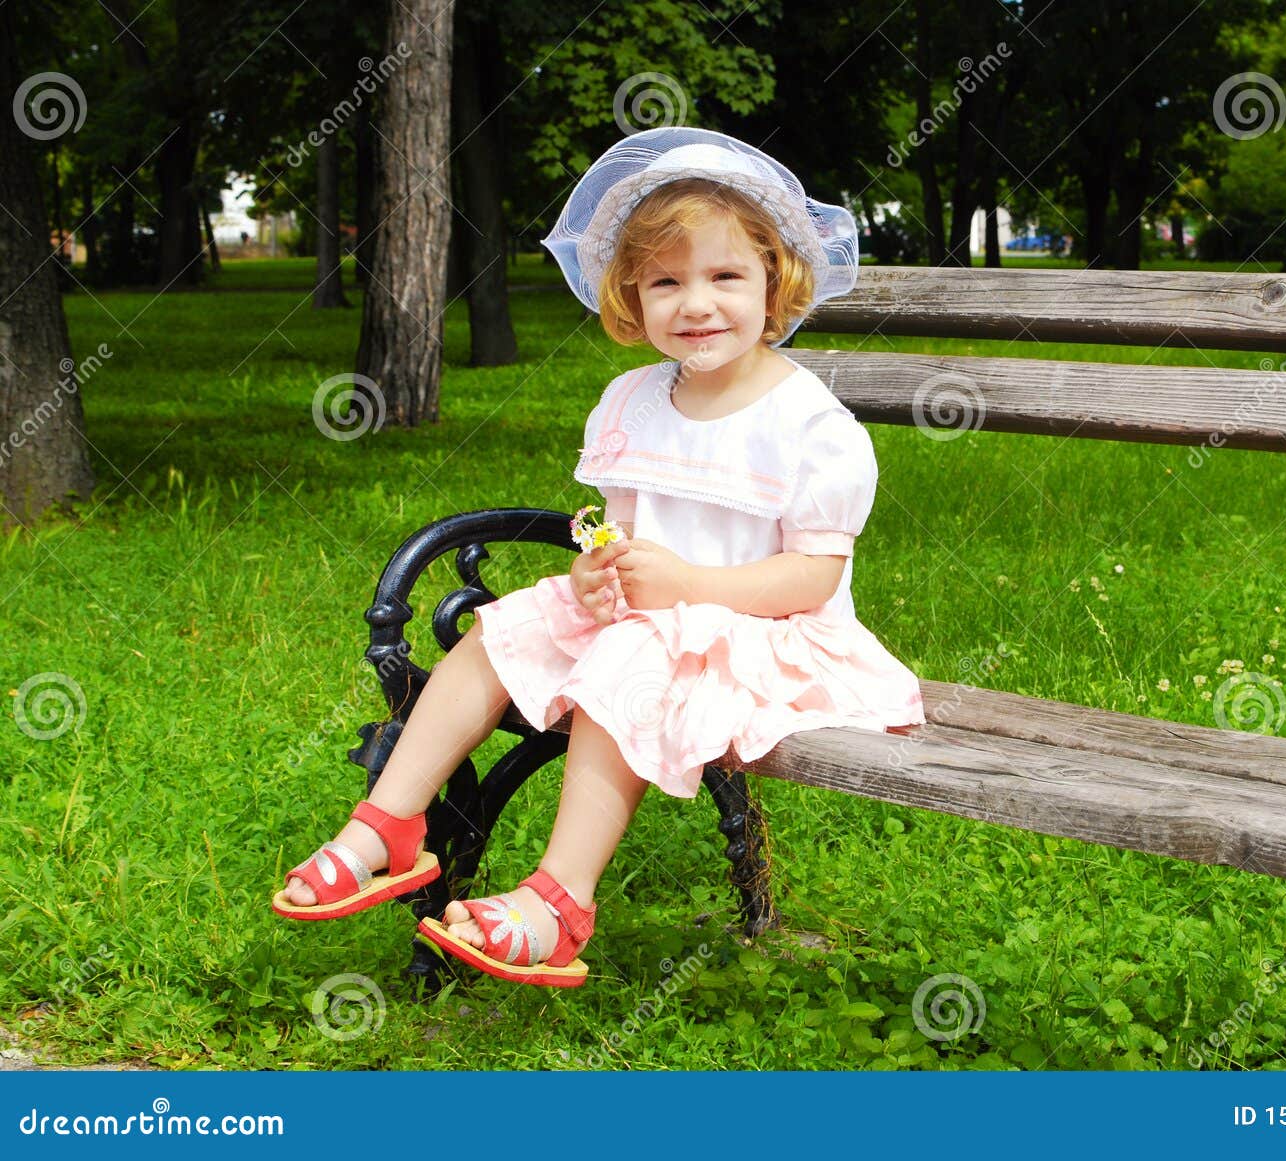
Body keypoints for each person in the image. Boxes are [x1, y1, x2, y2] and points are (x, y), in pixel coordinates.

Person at [270, 126, 926, 986]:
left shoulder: (807, 425)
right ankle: (388, 823)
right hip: (647, 616)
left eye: (726, 276)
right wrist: (595, 571)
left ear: (775, 281)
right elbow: (611, 529)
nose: (697, 303)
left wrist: (688, 586)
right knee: (505, 629)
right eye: (666, 282)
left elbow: (813, 578)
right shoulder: (634, 400)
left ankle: (559, 901)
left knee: (629, 653)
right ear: (631, 295)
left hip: (762, 634)